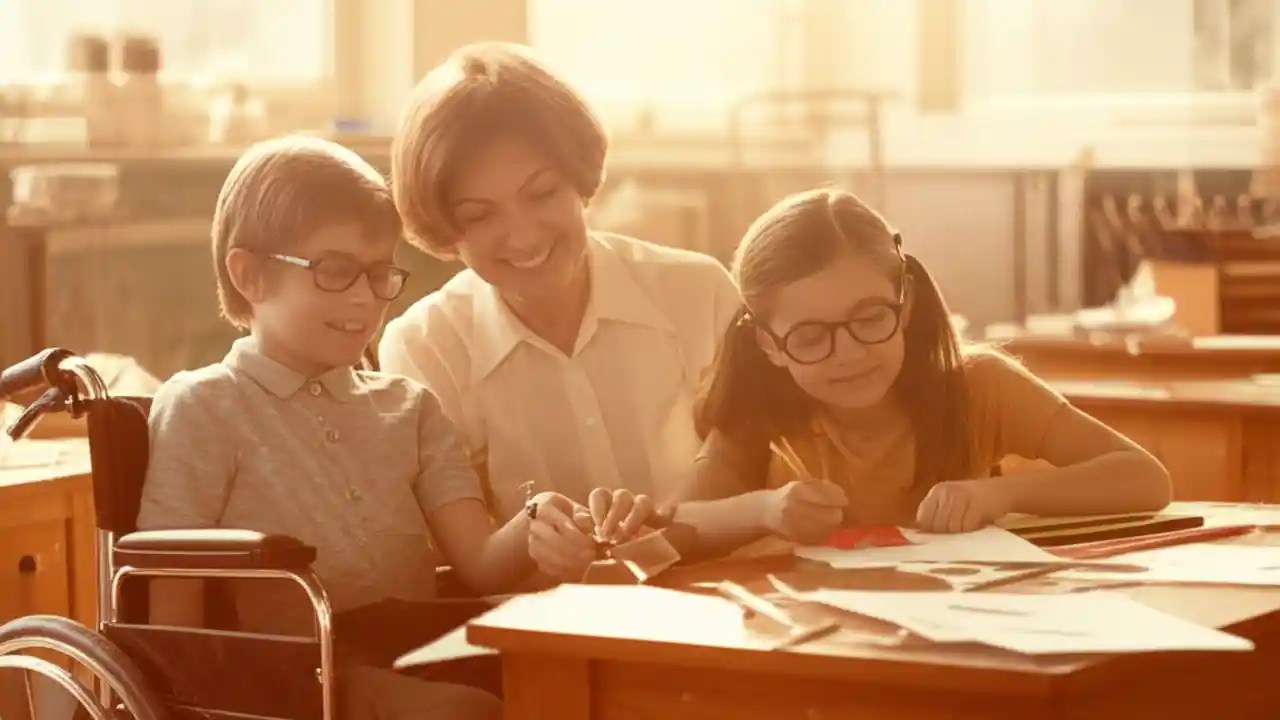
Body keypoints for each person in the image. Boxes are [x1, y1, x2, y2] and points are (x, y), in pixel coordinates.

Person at [136, 135, 649, 720]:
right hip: (290, 673)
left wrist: (541, 518)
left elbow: (479, 563)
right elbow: (169, 608)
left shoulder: (410, 407)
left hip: (410, 644)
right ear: (249, 276)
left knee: (588, 662)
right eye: (335, 272)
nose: (365, 299)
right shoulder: (204, 405)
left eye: (380, 274)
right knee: (470, 712)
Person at [672, 188, 1172, 552]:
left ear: (904, 305)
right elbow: (677, 531)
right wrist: (763, 511)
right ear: (769, 346)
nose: (847, 353)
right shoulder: (762, 405)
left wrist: (1000, 494)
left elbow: (1145, 480)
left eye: (870, 318)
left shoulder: (979, 384)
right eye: (809, 337)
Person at [379, 42, 740, 523]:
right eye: (479, 215)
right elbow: (462, 548)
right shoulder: (427, 347)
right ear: (446, 229)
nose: (523, 235)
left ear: (579, 178)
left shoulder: (699, 292)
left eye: (543, 194)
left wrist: (663, 537)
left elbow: (750, 463)